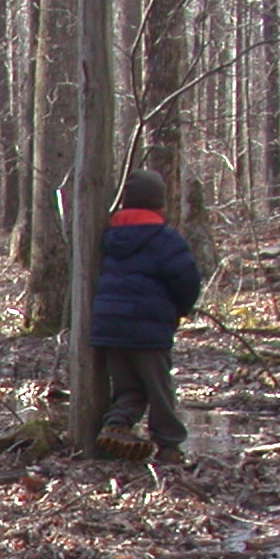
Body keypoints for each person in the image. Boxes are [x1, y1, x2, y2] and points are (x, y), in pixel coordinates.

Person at [90, 168, 203, 464]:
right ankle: (168, 446)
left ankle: (117, 425)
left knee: (129, 386)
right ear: (159, 205)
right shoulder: (165, 239)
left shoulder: (107, 236)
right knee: (159, 389)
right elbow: (187, 281)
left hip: (109, 325)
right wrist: (179, 310)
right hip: (148, 328)